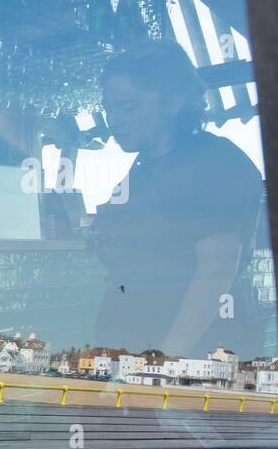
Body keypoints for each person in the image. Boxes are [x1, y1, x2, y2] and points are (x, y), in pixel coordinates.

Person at [90, 41, 266, 363]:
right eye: (109, 109)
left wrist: (163, 364)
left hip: (191, 361)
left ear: (175, 102)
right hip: (135, 351)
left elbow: (216, 270)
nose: (114, 120)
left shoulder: (213, 162)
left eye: (128, 107)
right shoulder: (145, 169)